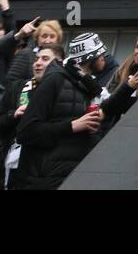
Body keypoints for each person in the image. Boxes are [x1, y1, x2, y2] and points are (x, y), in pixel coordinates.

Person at [13, 33, 125, 190]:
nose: (103, 59)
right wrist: (72, 126)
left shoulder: (84, 85)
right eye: (100, 54)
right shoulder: (55, 80)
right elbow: (26, 131)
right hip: (43, 179)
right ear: (89, 57)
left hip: (70, 177)